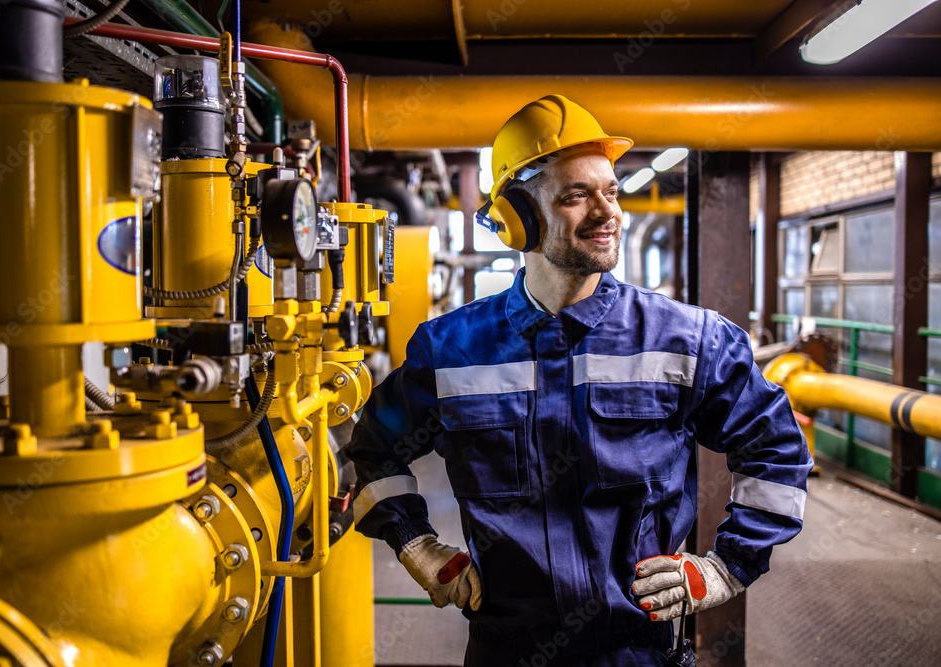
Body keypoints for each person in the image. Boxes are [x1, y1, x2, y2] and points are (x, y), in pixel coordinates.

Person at [344, 94, 812, 666]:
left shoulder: (690, 341)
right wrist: (414, 544)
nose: (606, 211)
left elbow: (778, 452)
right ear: (518, 218)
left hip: (641, 652)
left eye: (611, 191)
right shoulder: (450, 349)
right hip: (504, 651)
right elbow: (370, 453)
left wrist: (728, 567)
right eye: (576, 196)